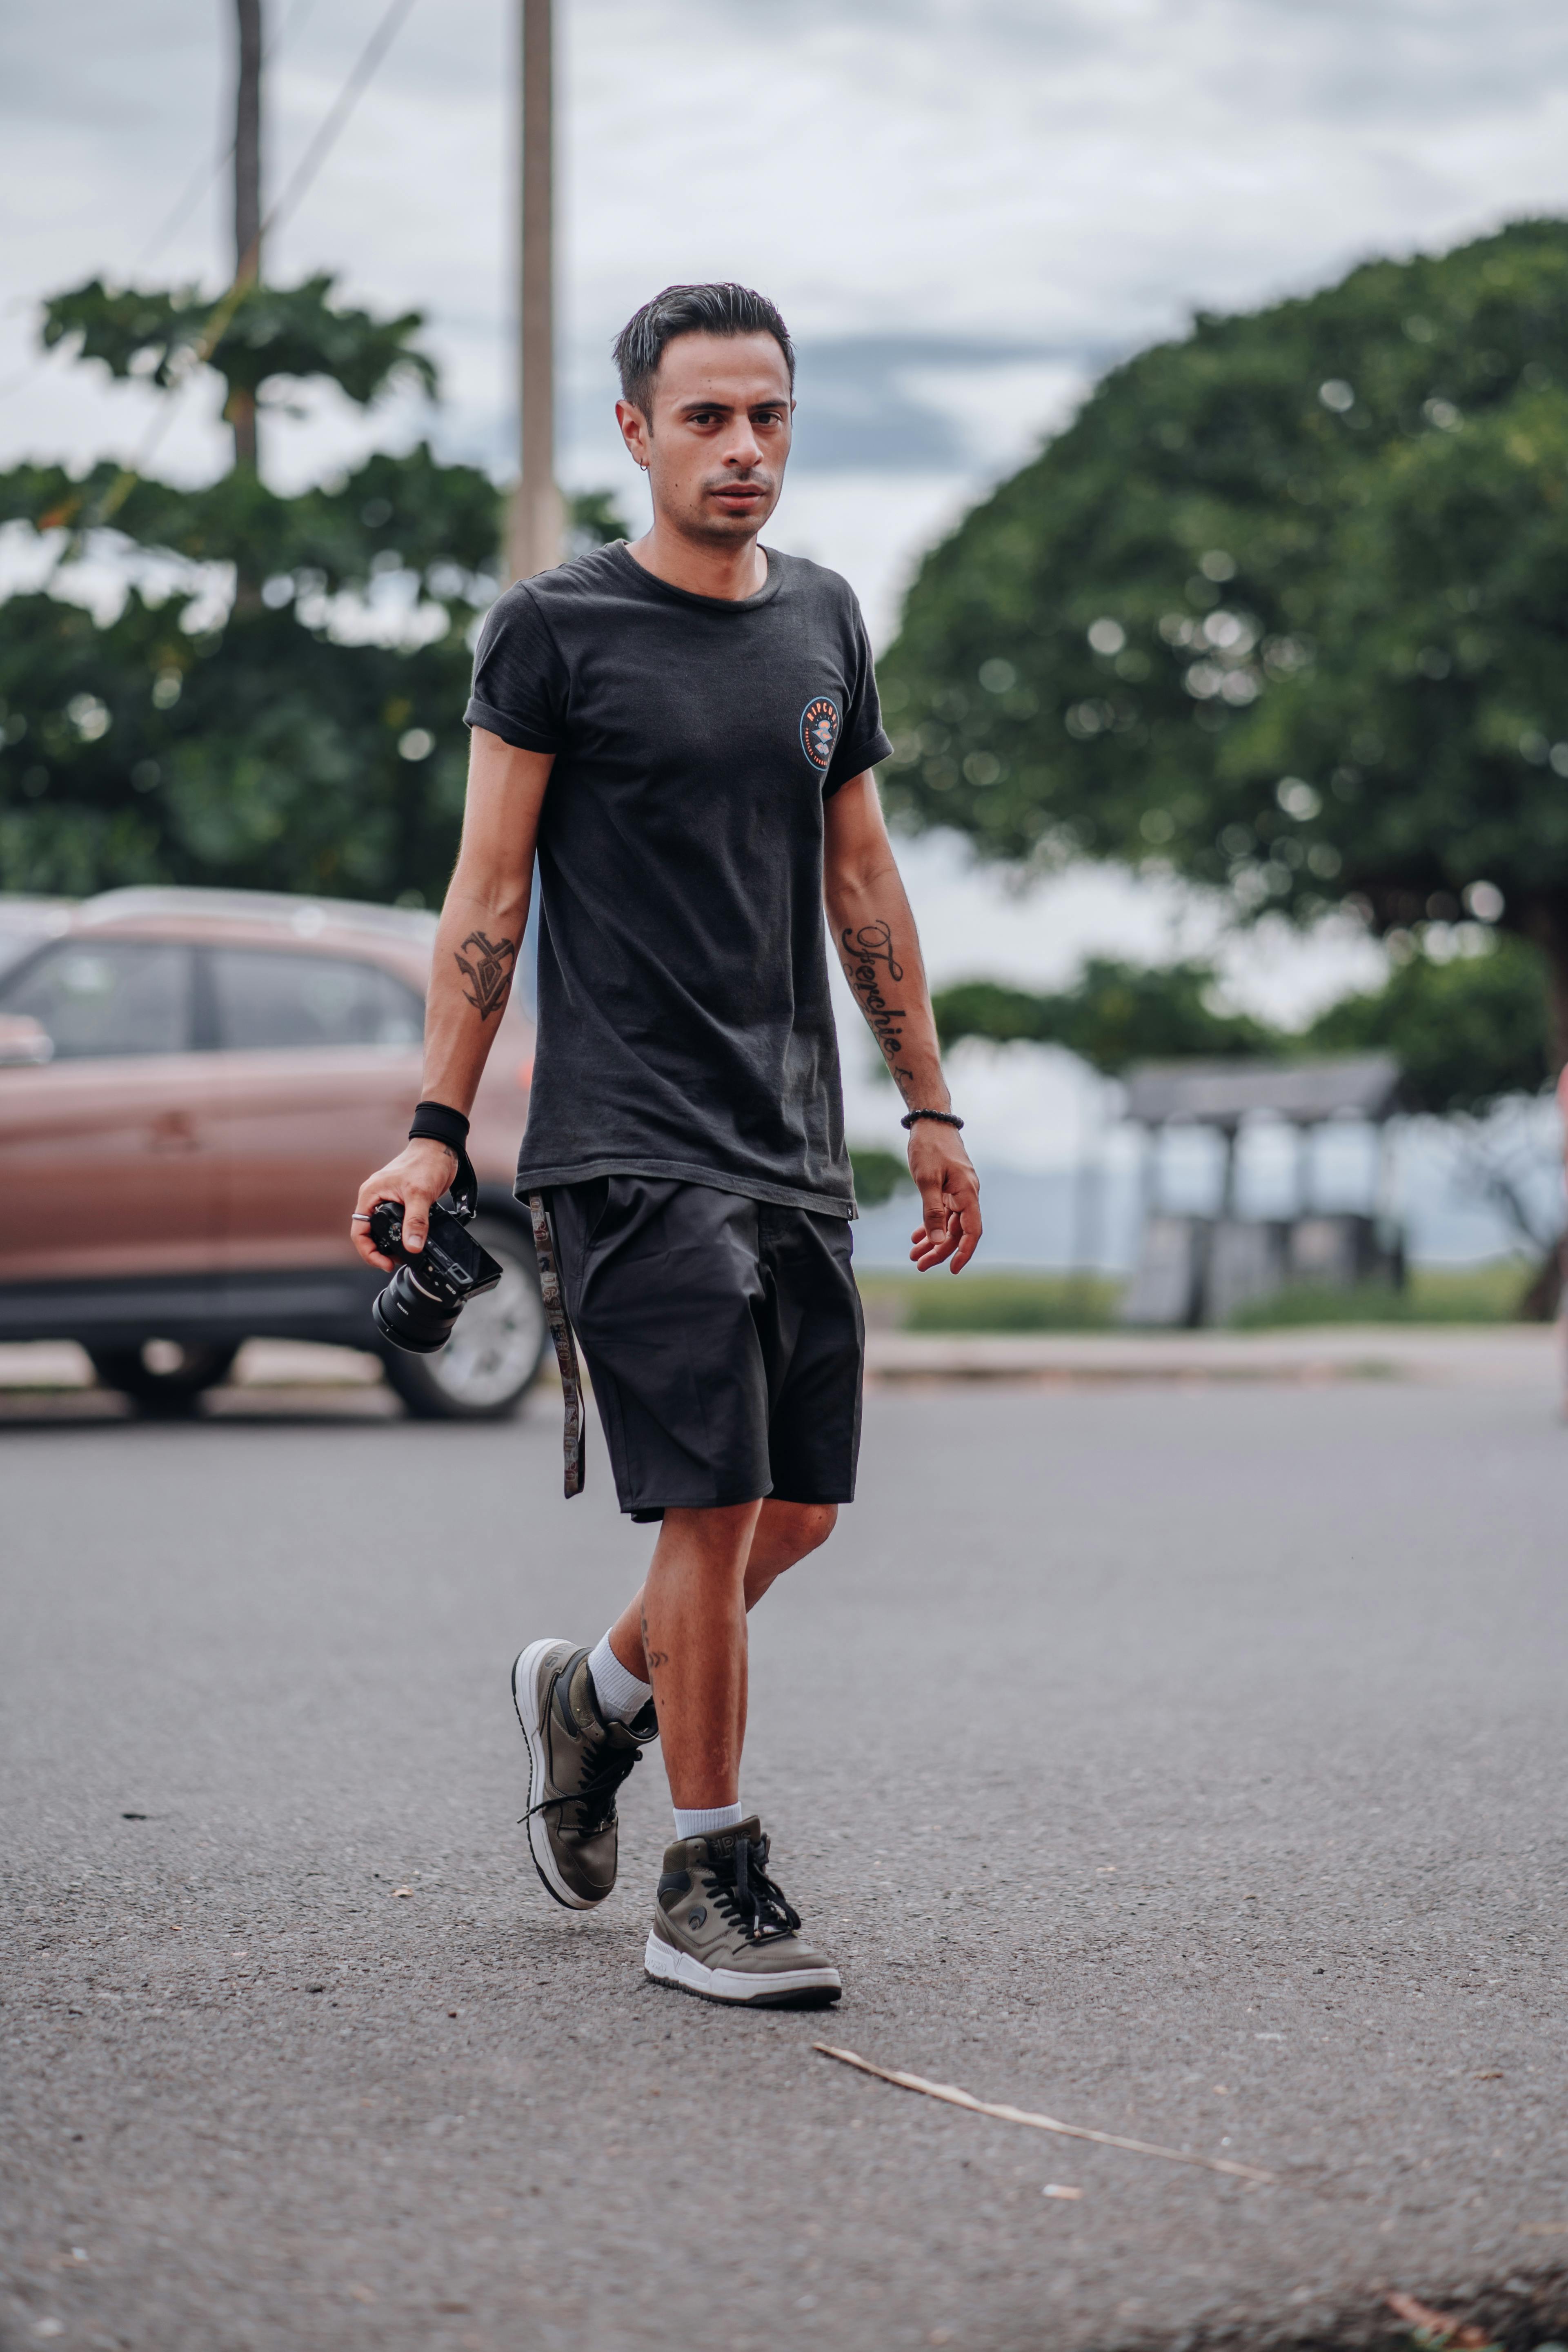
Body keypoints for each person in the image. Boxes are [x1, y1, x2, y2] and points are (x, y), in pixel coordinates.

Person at [352, 282, 981, 2008]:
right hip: (626, 1140)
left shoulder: (825, 624)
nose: (743, 448)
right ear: (633, 430)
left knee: (797, 1513)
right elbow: (487, 894)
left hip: (792, 1136)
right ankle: (709, 1874)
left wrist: (926, 1105)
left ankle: (595, 1700)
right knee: (706, 1508)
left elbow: (860, 877)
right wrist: (428, 1135)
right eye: (705, 417)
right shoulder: (553, 632)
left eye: (767, 415)